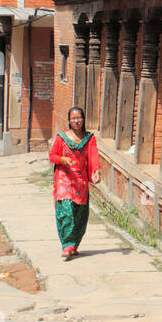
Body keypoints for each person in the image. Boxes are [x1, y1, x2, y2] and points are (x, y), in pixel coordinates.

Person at [47, 106, 100, 259]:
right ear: (69, 121)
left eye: (79, 118)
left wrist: (97, 170)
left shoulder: (89, 138)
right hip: (64, 179)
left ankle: (74, 244)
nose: (76, 121)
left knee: (80, 215)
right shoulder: (61, 138)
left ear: (83, 119)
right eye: (73, 118)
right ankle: (67, 244)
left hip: (81, 181)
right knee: (66, 212)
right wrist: (63, 159)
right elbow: (52, 156)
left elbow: (94, 156)